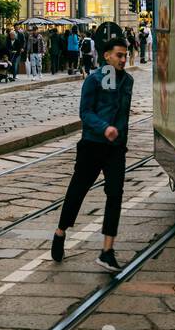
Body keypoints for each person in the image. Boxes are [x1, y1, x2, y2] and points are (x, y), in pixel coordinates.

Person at [51, 22, 133, 272]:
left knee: (115, 195)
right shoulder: (94, 80)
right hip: (92, 145)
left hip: (116, 148)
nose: (123, 60)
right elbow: (85, 113)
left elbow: (125, 114)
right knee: (78, 190)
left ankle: (107, 250)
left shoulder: (127, 81)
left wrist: (118, 136)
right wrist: (104, 127)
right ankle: (60, 231)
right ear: (106, 56)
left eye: (125, 56)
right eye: (119, 56)